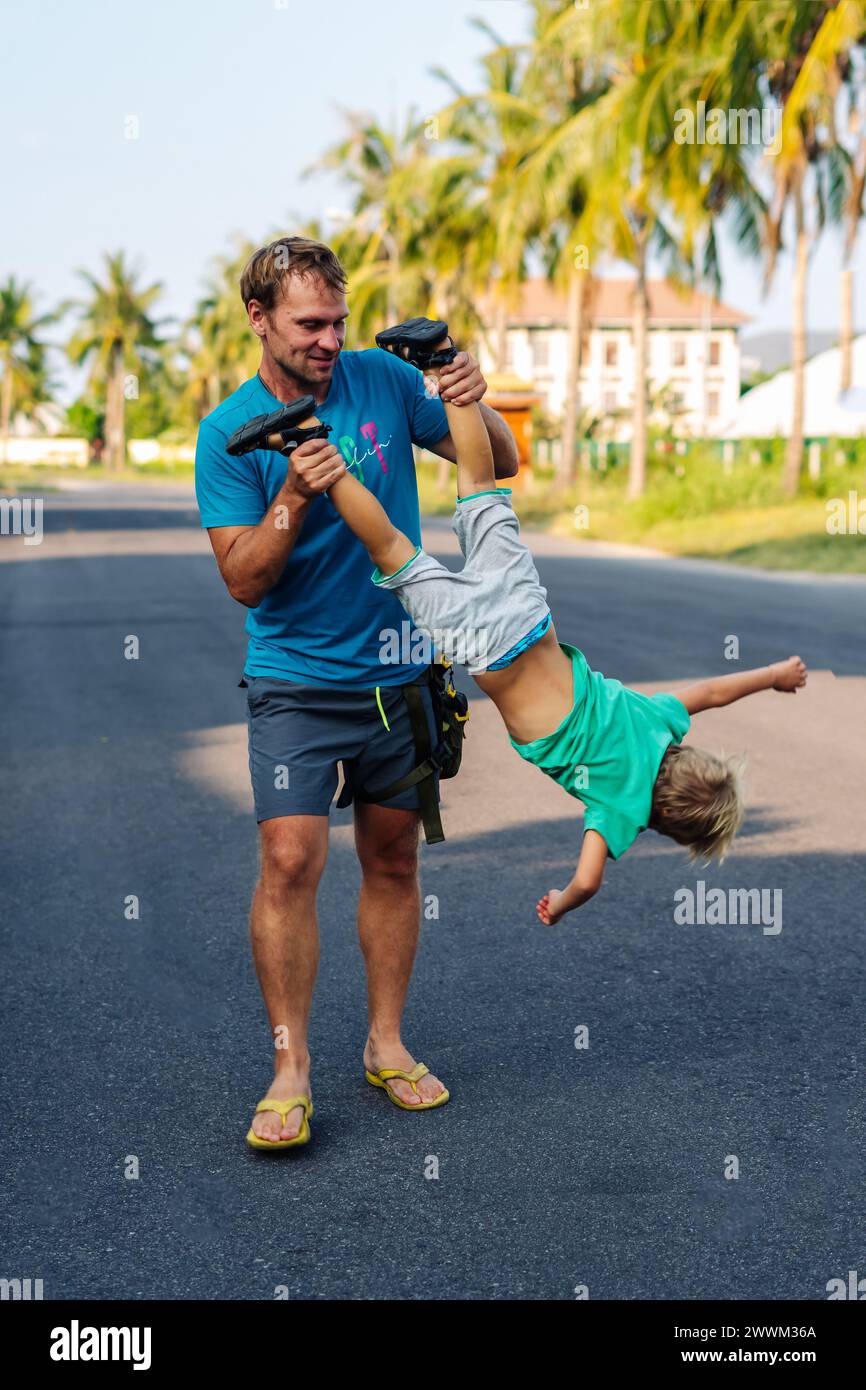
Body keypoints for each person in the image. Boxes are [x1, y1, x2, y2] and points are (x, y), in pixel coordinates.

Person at [314, 317, 809, 927]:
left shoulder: (659, 725)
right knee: (393, 551)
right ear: (665, 824)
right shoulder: (619, 808)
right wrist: (562, 901)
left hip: (528, 612)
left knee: (479, 484)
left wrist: (775, 675)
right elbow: (588, 878)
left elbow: (711, 691)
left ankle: (441, 362)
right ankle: (313, 453)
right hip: (487, 646)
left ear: (685, 755)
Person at [195, 240, 518, 1148]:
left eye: (339, 320)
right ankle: (291, 1067)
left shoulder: (380, 379)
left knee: (394, 858)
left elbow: (499, 463)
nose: (331, 339)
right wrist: (294, 493)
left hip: (404, 668)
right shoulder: (229, 432)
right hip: (297, 681)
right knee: (292, 863)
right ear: (259, 320)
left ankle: (386, 1043)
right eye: (310, 325)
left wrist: (469, 397)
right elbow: (244, 582)